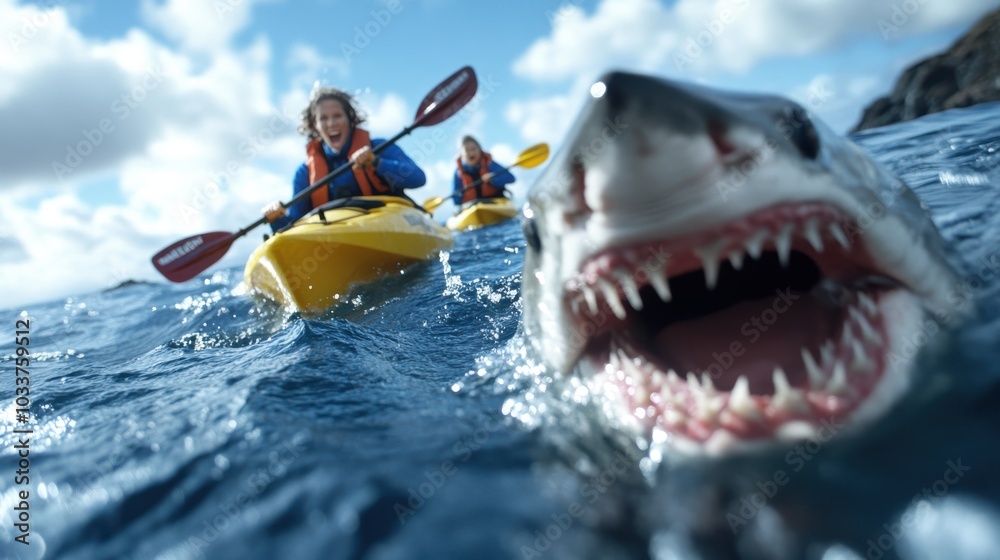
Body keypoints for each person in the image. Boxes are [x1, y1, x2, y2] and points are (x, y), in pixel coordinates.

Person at [262, 86, 426, 231]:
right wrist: (276, 218)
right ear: (314, 125)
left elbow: (418, 178)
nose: (331, 123)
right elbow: (293, 226)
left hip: (393, 224)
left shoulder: (378, 148)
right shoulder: (304, 172)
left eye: (337, 116)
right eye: (323, 118)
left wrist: (376, 162)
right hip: (337, 237)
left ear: (350, 119)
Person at [451, 135, 515, 207]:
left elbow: (511, 178)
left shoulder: (489, 163)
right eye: (467, 150)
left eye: (474, 149)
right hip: (472, 207)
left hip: (495, 203)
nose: (471, 153)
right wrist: (461, 193)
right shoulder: (458, 173)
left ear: (480, 150)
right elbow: (455, 200)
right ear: (461, 154)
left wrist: (493, 179)